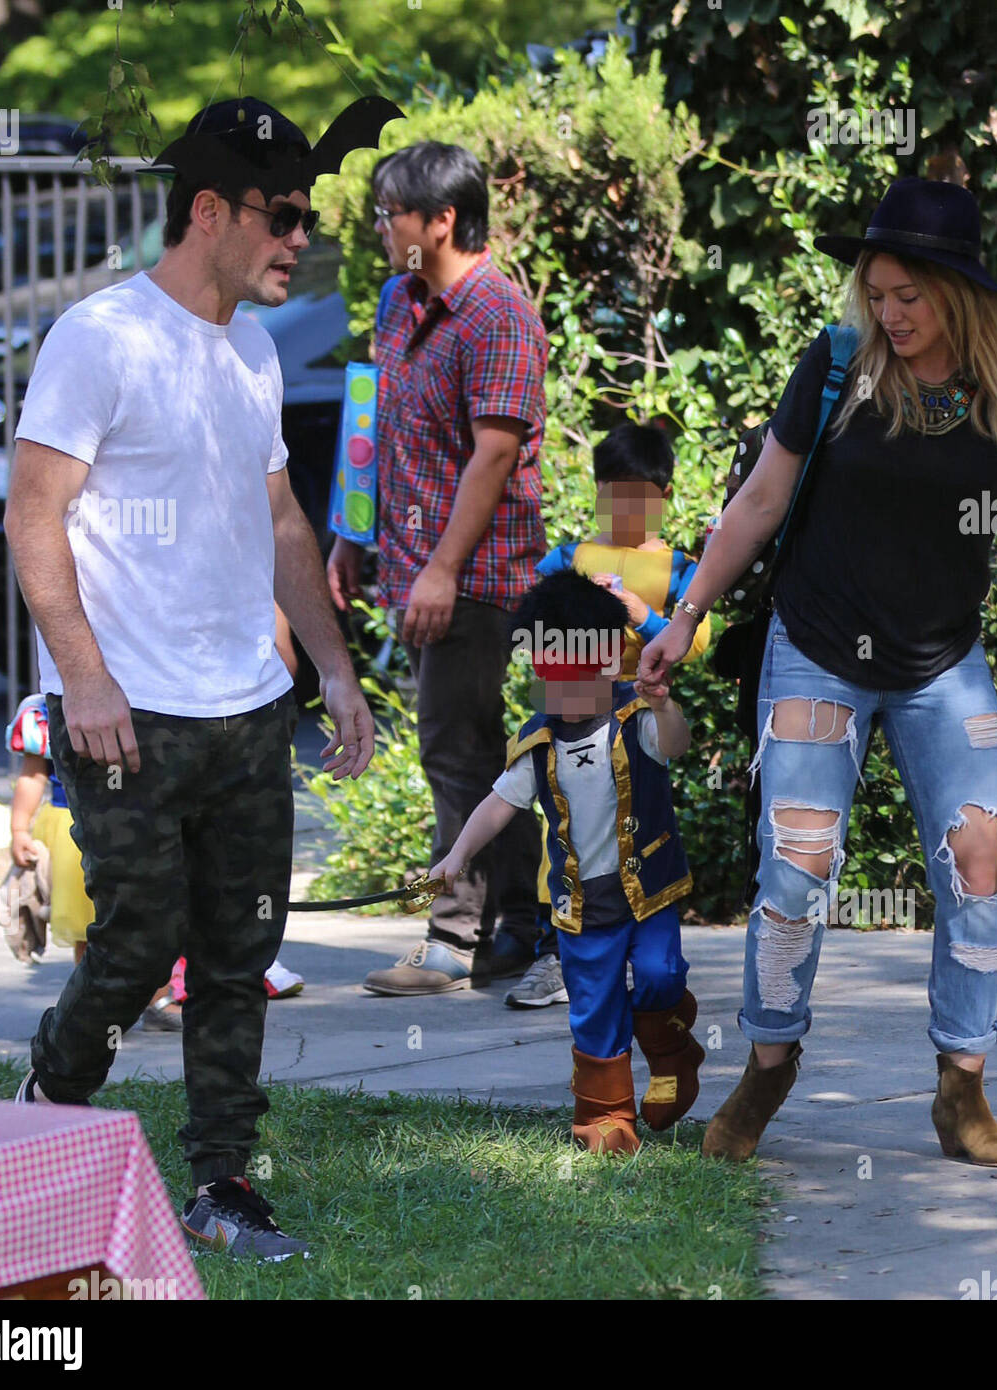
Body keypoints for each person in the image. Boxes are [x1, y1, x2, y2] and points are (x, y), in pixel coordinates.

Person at [639, 177, 997, 1167]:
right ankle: (767, 1068)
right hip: (818, 648)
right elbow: (759, 500)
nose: (888, 313)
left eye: (908, 297)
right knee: (794, 872)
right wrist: (687, 614)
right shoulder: (840, 365)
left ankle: (961, 1090)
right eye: (876, 292)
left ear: (958, 292)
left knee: (978, 863)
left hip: (943, 664)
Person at [4, 95, 377, 1262]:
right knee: (135, 938)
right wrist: (88, 681)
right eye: (281, 215)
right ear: (208, 208)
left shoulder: (255, 350)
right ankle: (44, 1111)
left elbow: (279, 520)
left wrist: (332, 667)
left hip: (248, 715)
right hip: (130, 715)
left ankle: (223, 1181)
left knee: (238, 951)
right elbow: (33, 516)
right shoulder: (100, 336)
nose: (298, 240)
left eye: (308, 218)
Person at [328, 142, 549, 997]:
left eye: (391, 215)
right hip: (412, 563)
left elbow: (493, 456)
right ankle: (518, 932)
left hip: (476, 574)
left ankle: (451, 938)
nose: (381, 230)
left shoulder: (499, 315)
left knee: (455, 753)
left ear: (442, 221)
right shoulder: (398, 300)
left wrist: (441, 571)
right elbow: (377, 423)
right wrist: (355, 533)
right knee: (476, 754)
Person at [432, 569, 704, 1153]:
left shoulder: (637, 718)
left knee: (658, 976)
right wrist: (455, 857)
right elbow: (498, 805)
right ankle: (605, 1114)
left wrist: (665, 704)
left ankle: (673, 1057)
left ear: (609, 664)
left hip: (648, 889)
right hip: (581, 902)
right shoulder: (538, 740)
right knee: (592, 1003)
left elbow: (675, 744)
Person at [505, 422, 712, 1010]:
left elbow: (697, 642)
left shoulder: (681, 568)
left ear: (662, 497)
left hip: (638, 713)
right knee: (560, 824)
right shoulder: (568, 558)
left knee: (637, 822)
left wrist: (644, 615)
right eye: (611, 493)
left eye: (637, 495)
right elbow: (529, 622)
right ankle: (555, 952)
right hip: (569, 710)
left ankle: (640, 944)